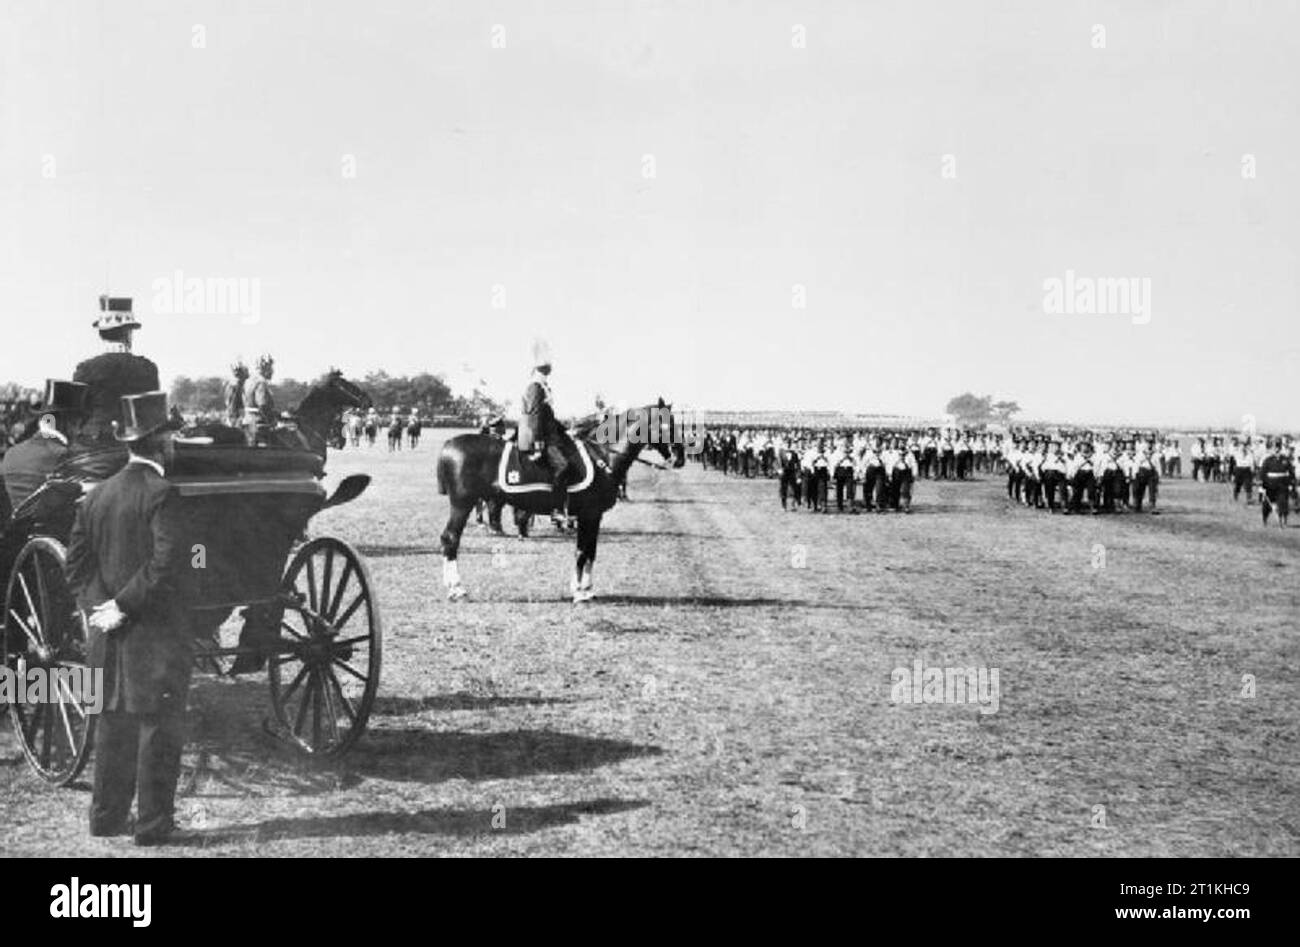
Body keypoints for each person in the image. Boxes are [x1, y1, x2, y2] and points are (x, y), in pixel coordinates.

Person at [65, 391, 197, 846]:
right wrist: (124, 605)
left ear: (128, 444)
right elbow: (167, 562)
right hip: (154, 634)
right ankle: (153, 826)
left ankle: (105, 819)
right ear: (161, 443)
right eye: (172, 437)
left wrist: (101, 609)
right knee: (157, 727)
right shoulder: (164, 494)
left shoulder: (96, 495)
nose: (174, 445)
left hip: (107, 635)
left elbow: (76, 567)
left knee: (110, 724)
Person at [72, 296, 160, 445]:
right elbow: (153, 414)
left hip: (92, 442)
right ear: (128, 333)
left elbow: (77, 412)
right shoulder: (148, 368)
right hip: (136, 443)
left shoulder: (86, 368)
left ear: (101, 334)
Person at [0, 380, 89, 515]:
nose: (79, 430)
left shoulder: (12, 453)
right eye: (79, 422)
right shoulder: (67, 456)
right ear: (67, 421)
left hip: (13, 532)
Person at [518, 340, 574, 515]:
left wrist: (567, 430)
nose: (546, 373)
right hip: (543, 439)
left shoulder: (542, 387)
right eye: (543, 370)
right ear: (535, 370)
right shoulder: (535, 387)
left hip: (551, 437)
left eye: (547, 370)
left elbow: (547, 417)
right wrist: (537, 443)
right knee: (563, 467)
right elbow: (535, 416)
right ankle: (555, 507)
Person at [224, 361, 249, 428]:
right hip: (236, 418)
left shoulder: (230, 385)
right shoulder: (235, 386)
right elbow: (233, 405)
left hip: (232, 416)